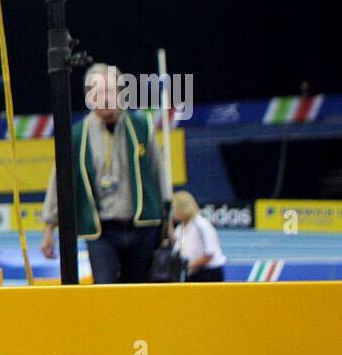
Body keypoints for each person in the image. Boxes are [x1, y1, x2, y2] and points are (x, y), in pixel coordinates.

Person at [40, 63, 173, 284]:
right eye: (99, 93)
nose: (107, 99)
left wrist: (168, 217)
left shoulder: (142, 126)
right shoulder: (76, 136)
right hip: (101, 230)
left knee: (139, 291)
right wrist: (48, 228)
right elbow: (58, 181)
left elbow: (160, 172)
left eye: (111, 92)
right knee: (104, 287)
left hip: (142, 227)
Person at [171, 190, 226, 282]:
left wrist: (188, 265)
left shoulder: (201, 224)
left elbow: (209, 254)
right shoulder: (181, 227)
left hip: (209, 273)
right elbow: (175, 244)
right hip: (192, 273)